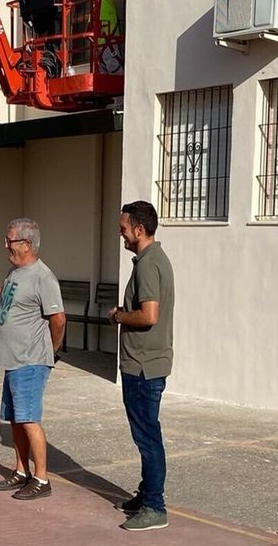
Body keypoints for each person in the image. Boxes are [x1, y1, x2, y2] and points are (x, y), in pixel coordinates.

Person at [0, 218, 66, 501]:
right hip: (12, 360)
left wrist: (51, 350)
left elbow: (58, 319)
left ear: (27, 244)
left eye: (10, 241)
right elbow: (1, 304)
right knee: (16, 420)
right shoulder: (15, 273)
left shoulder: (43, 277)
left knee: (29, 419)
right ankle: (21, 471)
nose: (6, 245)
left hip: (30, 360)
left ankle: (42, 478)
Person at [108, 200, 174, 532]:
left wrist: (120, 316)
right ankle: (146, 495)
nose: (120, 233)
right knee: (146, 435)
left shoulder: (149, 264)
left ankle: (154, 507)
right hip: (146, 364)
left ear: (139, 229)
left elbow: (149, 316)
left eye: (124, 229)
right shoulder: (152, 260)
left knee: (147, 437)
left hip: (143, 367)